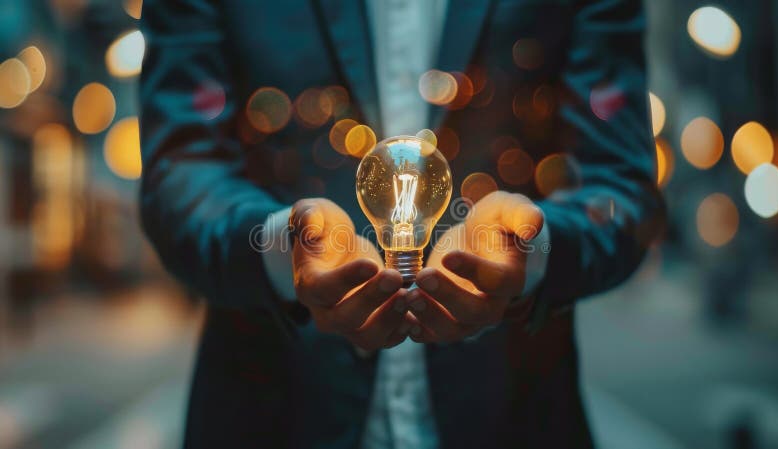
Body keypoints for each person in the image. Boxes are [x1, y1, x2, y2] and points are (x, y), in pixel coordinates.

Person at [138, 0, 664, 448]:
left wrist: (530, 244)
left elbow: (619, 185)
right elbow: (180, 176)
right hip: (274, 415)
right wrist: (283, 245)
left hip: (509, 415)